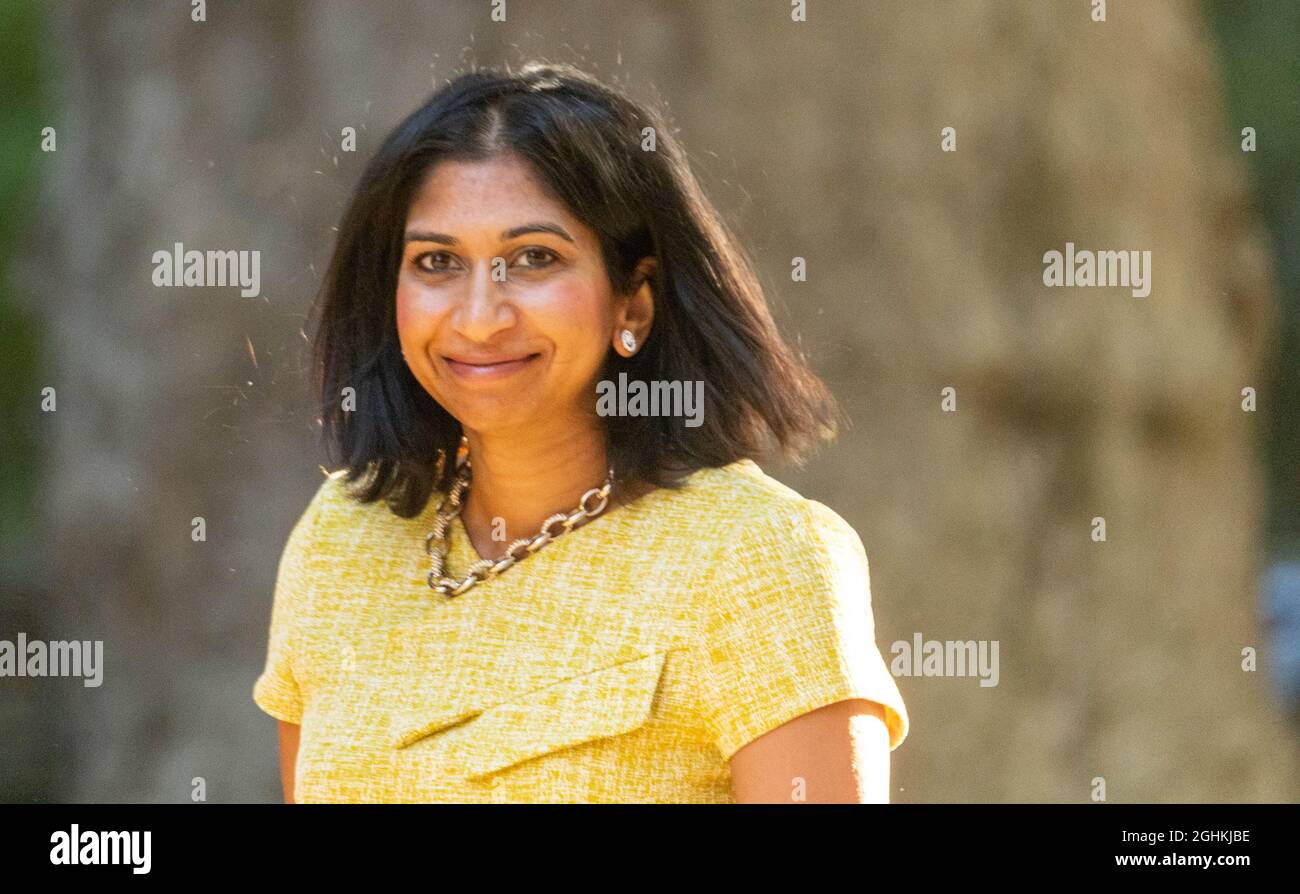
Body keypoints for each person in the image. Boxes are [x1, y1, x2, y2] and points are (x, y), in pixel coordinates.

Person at [253, 62, 909, 803]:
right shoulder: (340, 543)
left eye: (534, 258)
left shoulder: (755, 560)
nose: (478, 317)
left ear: (633, 302)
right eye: (437, 262)